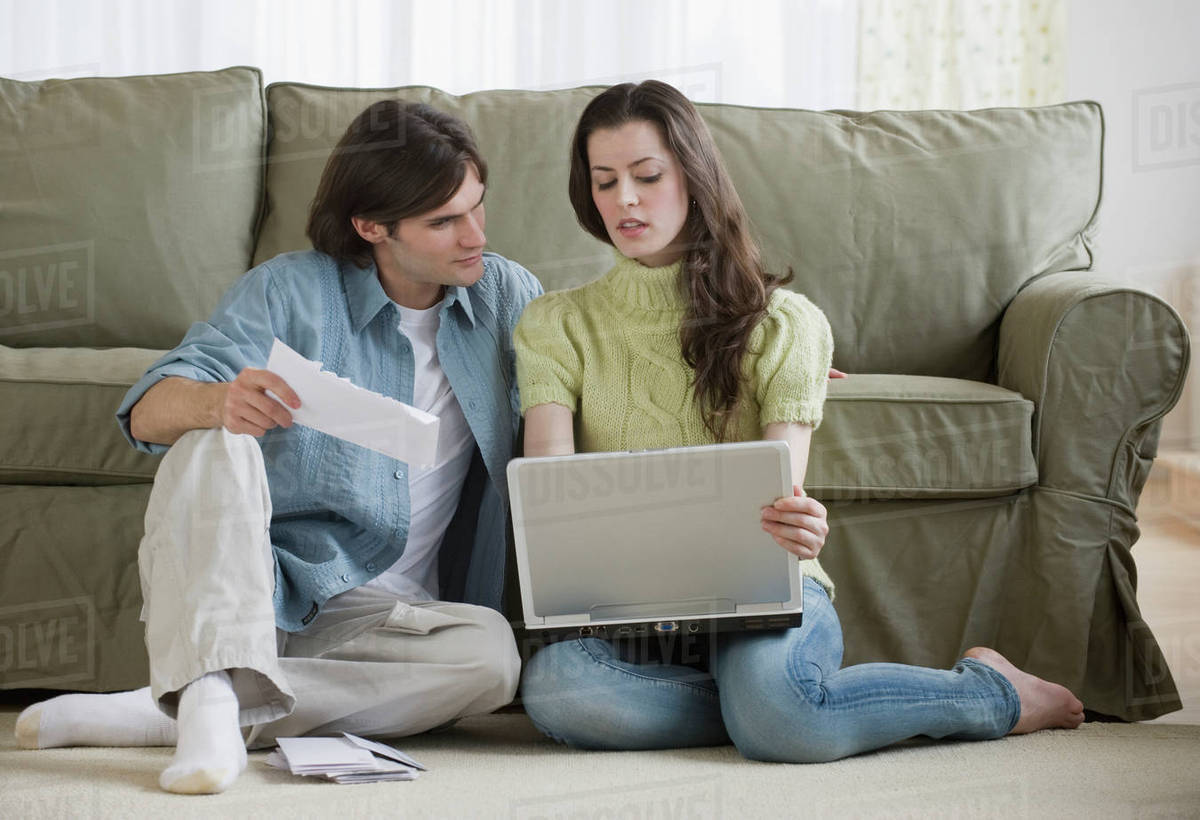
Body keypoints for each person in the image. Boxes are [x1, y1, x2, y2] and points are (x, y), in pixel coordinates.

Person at [513, 80, 1084, 762]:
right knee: (557, 693)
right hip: (623, 614)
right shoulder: (553, 323)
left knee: (785, 723)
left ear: (694, 176)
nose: (624, 200)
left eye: (646, 176)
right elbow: (547, 482)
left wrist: (799, 525)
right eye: (604, 182)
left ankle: (994, 692)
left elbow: (780, 498)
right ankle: (763, 705)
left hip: (753, 603)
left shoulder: (784, 322)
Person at [15, 100, 542, 793]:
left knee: (492, 658)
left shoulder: (506, 297)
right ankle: (207, 696)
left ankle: (189, 704)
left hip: (383, 624)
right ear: (371, 227)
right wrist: (216, 402)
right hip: (261, 591)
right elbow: (146, 412)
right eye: (444, 221)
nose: (475, 235)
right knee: (210, 439)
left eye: (477, 207)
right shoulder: (291, 291)